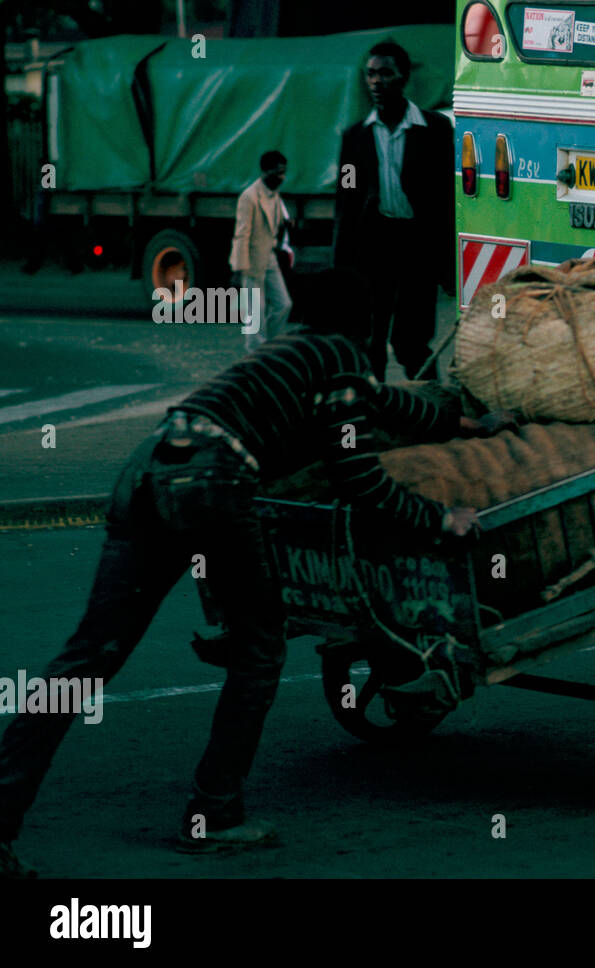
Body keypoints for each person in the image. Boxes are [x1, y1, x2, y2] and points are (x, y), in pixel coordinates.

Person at [0, 269, 493, 878]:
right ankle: (215, 814)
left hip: (146, 473)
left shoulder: (286, 353)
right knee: (260, 651)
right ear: (364, 321)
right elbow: (359, 480)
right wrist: (442, 520)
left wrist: (457, 424)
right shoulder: (340, 356)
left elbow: (379, 401)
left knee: (86, 659)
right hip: (211, 485)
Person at [332, 41, 455, 380]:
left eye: (386, 73)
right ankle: (371, 417)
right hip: (372, 246)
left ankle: (432, 409)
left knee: (412, 342)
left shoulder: (435, 132)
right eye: (371, 74)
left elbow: (447, 200)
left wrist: (448, 267)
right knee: (368, 342)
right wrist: (340, 268)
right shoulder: (355, 138)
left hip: (417, 247)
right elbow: (347, 201)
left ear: (403, 78)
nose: (376, 81)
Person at [231, 150, 295, 353]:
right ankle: (255, 353)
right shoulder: (249, 197)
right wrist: (239, 268)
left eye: (284, 172)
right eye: (277, 172)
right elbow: (241, 234)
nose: (282, 177)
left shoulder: (274, 195)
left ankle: (269, 345)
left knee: (283, 304)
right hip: (251, 261)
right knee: (255, 313)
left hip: (269, 258)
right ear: (265, 171)